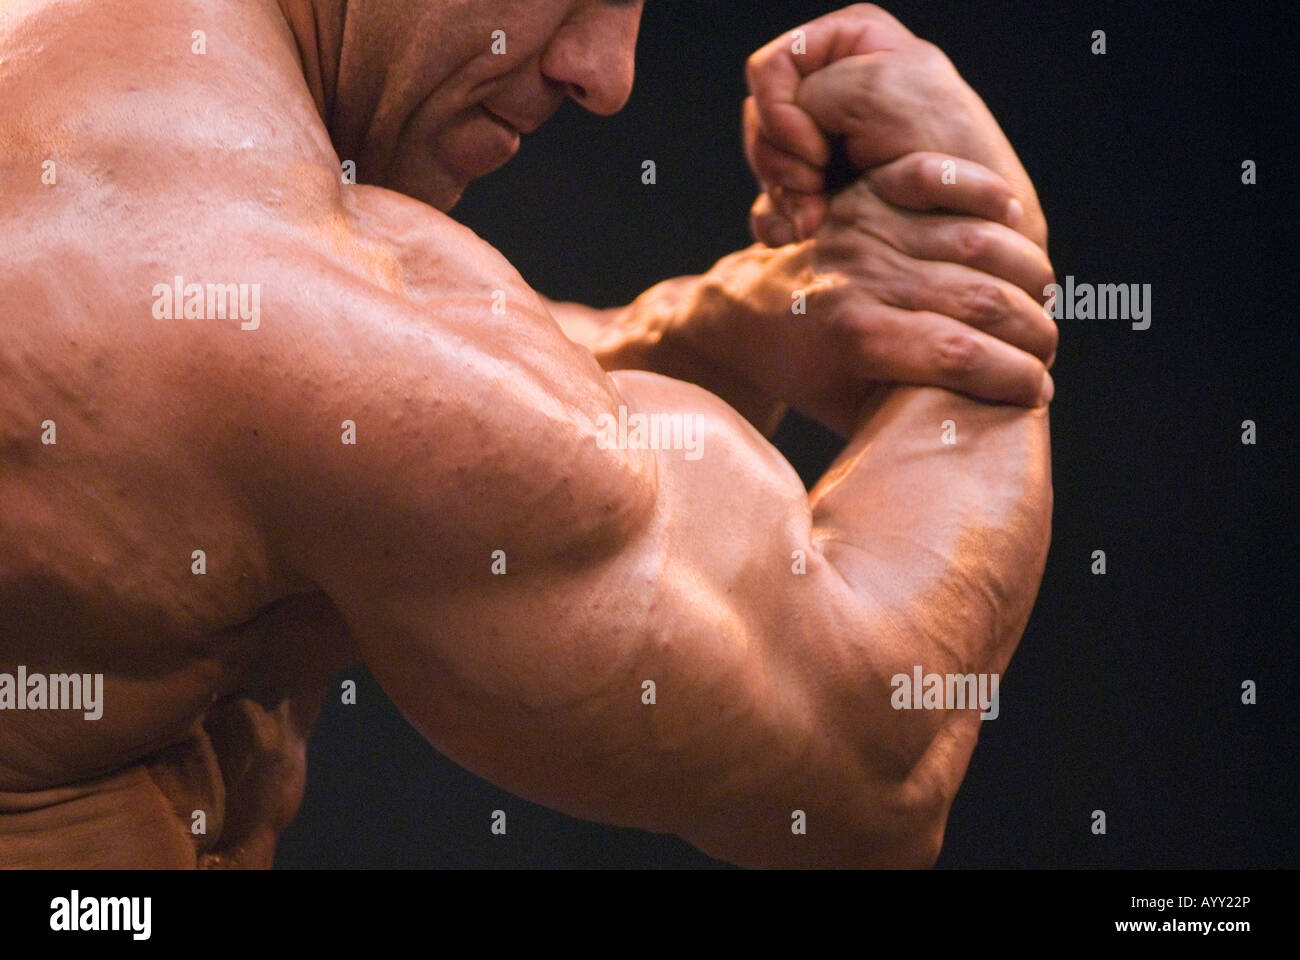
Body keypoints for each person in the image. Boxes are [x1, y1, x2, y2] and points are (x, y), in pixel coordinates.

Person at [0, 1, 1056, 868]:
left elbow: (382, 399)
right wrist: (985, 287)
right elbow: (870, 757)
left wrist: (722, 326)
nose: (607, 73)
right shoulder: (272, 315)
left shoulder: (105, 119)